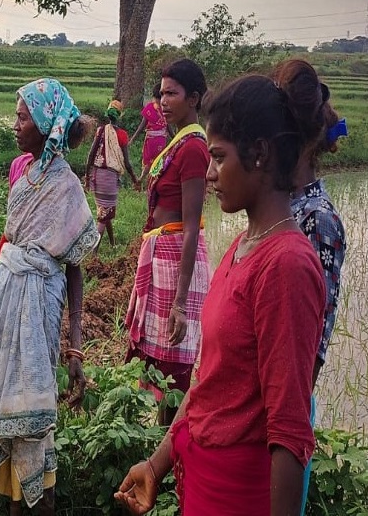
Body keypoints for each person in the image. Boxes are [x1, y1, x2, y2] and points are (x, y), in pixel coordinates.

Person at [115, 73, 326, 516]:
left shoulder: (286, 265)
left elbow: (288, 432)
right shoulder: (242, 246)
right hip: (202, 479)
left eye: (218, 158)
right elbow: (208, 381)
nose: (209, 173)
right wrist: (157, 465)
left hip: (237, 494)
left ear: (260, 155)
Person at [0, 78, 99, 515]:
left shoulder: (65, 187)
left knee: (33, 421)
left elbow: (75, 267)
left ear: (45, 123)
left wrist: (75, 344)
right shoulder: (23, 175)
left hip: (38, 312)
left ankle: (41, 502)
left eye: (22, 117)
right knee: (11, 416)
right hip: (9, 309)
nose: (14, 125)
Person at [272, 59, 346, 514]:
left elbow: (310, 349)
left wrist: (279, 427)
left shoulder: (316, 221)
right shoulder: (279, 208)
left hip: (281, 419)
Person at [124, 59, 210, 425]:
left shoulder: (192, 149)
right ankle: (158, 444)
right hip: (164, 257)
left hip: (178, 262)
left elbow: (191, 227)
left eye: (171, 93)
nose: (162, 100)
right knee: (158, 360)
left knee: (174, 364)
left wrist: (180, 302)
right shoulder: (178, 144)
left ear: (193, 99)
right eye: (160, 93)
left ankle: (168, 448)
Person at [84, 99, 139, 250]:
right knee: (104, 216)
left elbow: (91, 155)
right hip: (109, 178)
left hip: (97, 175)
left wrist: (87, 178)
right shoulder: (122, 135)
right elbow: (127, 163)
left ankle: (113, 242)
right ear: (120, 116)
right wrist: (135, 179)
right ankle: (93, 253)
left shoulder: (100, 131)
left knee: (104, 210)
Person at [130, 82, 168, 189]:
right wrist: (176, 137)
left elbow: (142, 126)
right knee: (158, 161)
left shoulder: (150, 107)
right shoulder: (166, 108)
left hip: (150, 141)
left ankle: (141, 179)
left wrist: (132, 139)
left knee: (148, 162)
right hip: (161, 140)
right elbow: (168, 127)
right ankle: (154, 183)